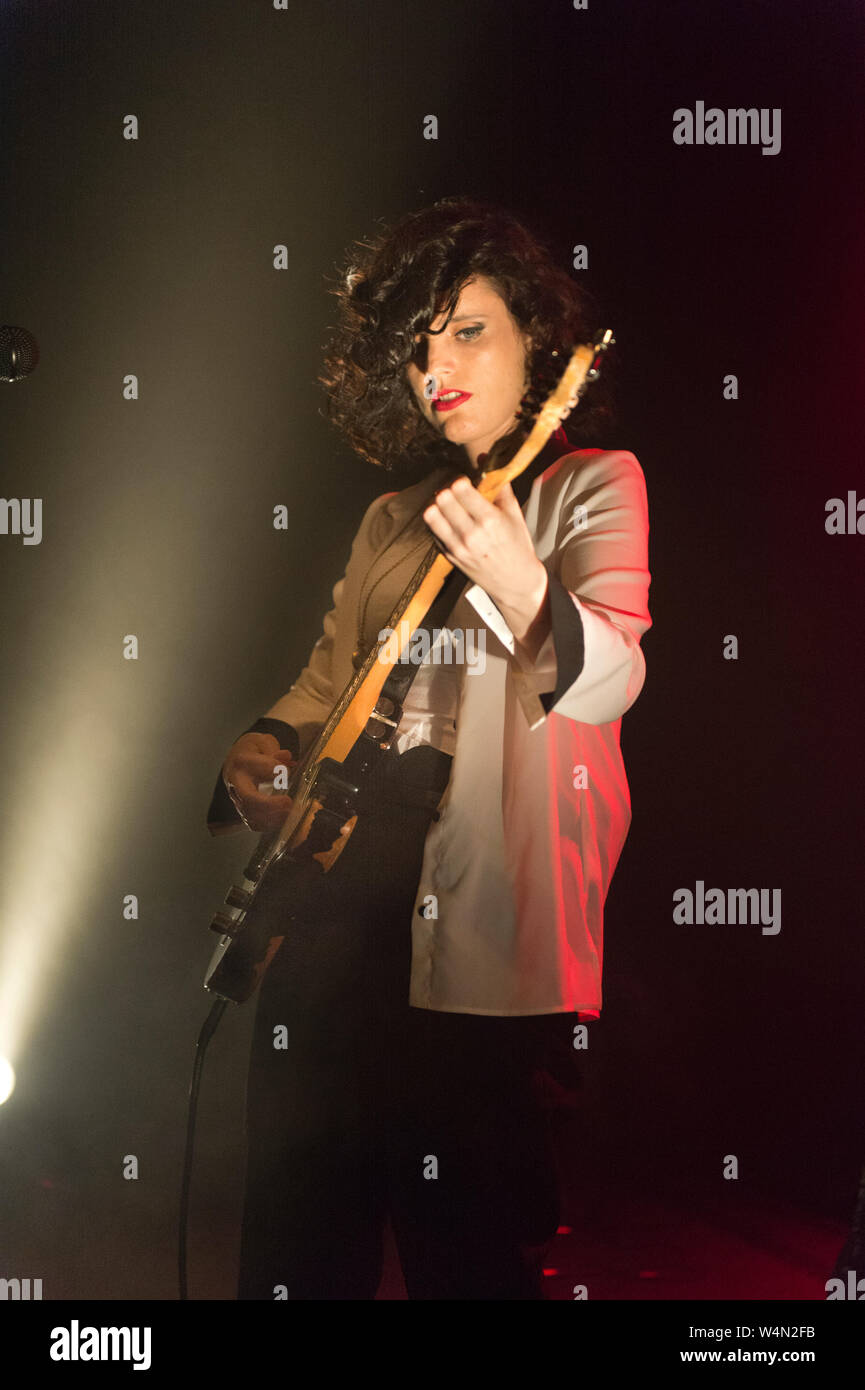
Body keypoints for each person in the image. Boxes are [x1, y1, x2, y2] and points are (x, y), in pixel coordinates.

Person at [206, 196, 652, 1299]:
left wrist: (514, 576)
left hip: (480, 919)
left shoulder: (592, 483)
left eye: (466, 330)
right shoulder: (390, 517)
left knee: (468, 1247)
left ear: (536, 345)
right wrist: (260, 746)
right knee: (296, 1231)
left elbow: (612, 679)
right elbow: (323, 686)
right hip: (335, 897)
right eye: (415, 345)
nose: (434, 365)